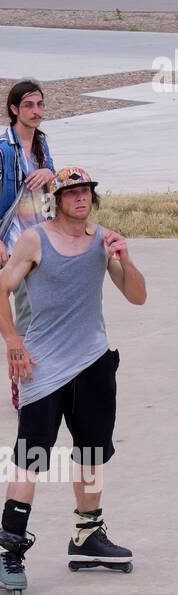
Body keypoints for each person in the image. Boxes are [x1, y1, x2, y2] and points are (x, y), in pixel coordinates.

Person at [0, 167, 147, 595]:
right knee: (31, 456)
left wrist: (125, 257)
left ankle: (87, 536)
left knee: (92, 451)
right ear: (56, 200)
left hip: (94, 363)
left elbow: (137, 296)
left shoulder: (104, 240)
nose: (80, 199)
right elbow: (2, 286)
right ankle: (9, 546)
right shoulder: (34, 240)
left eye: (85, 192)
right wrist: (12, 341)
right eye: (71, 193)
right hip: (43, 368)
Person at [0, 81, 56, 410]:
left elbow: (49, 190)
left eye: (40, 105)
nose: (36, 112)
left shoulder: (42, 144)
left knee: (37, 310)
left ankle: (36, 374)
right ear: (14, 110)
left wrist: (49, 170)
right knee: (23, 313)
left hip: (41, 237)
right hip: (14, 240)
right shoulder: (4, 150)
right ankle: (21, 380)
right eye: (29, 106)